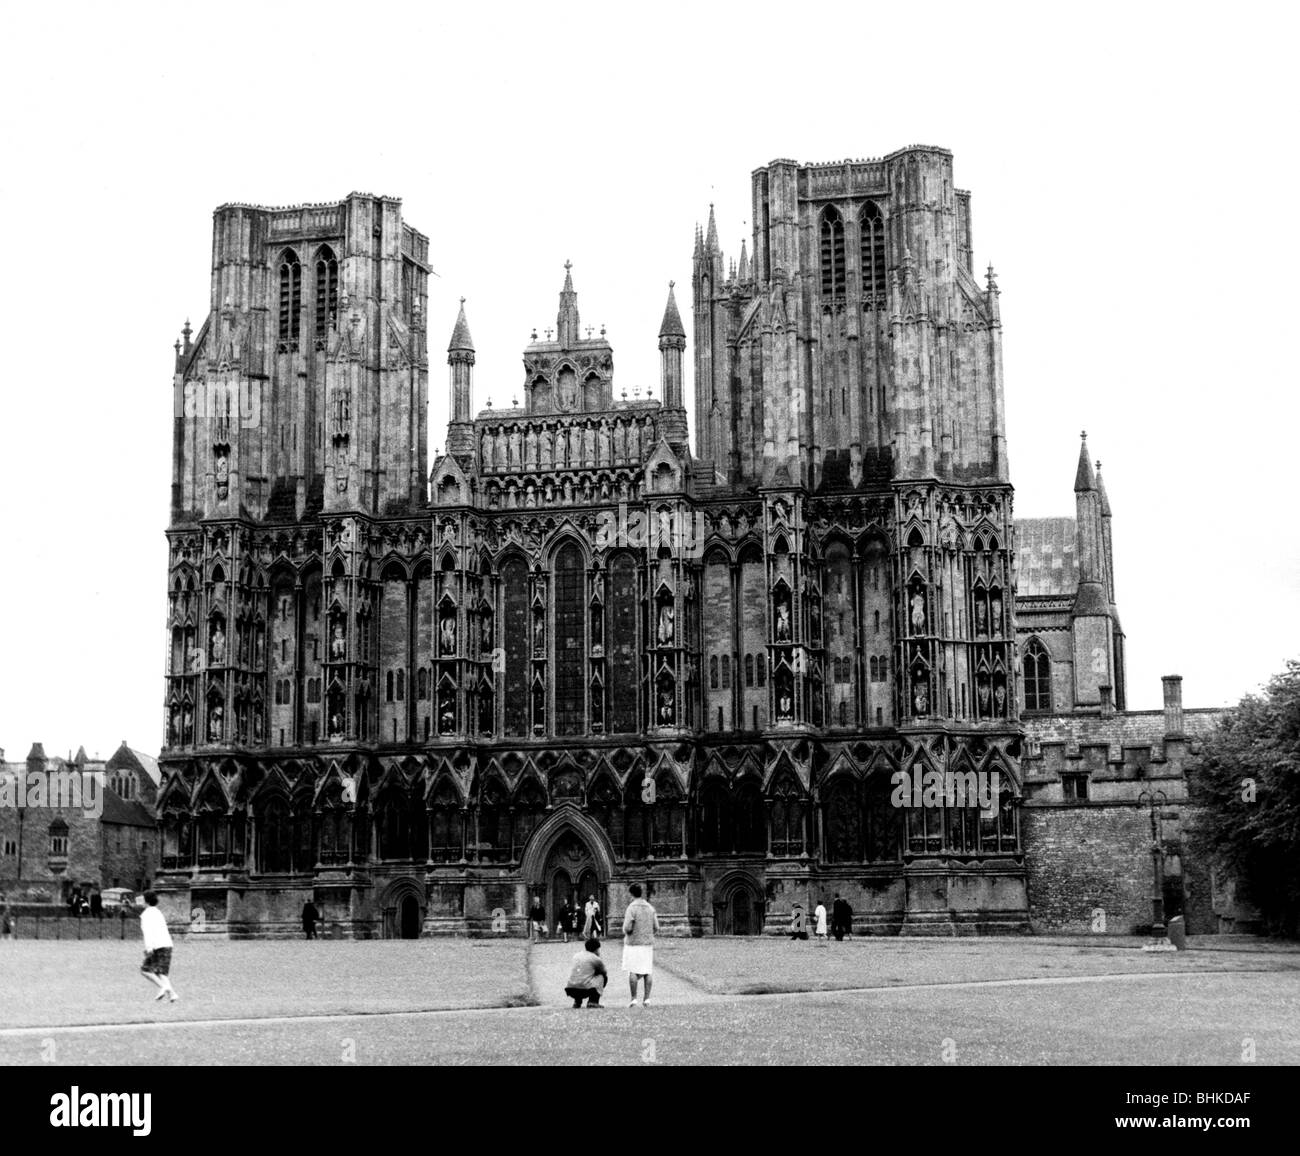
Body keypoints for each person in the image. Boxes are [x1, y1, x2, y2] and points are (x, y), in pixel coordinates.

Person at [621, 883, 660, 1007]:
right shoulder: (650, 907)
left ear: (631, 894)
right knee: (647, 971)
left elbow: (627, 927)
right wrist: (648, 933)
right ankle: (647, 999)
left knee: (633, 970)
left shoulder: (631, 908)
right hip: (647, 943)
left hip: (633, 943)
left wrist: (626, 931)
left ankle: (633, 999)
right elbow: (656, 927)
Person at [139, 891, 179, 1003]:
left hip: (156, 946)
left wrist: (149, 948)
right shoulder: (158, 912)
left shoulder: (146, 915)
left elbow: (147, 932)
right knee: (162, 972)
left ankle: (163, 987)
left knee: (145, 970)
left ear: (146, 901)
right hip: (167, 944)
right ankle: (172, 994)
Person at [564, 937, 608, 1009]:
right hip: (584, 990)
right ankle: (593, 1001)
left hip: (570, 989)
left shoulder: (576, 955)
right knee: (602, 977)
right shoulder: (595, 958)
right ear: (596, 949)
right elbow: (604, 972)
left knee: (580, 976)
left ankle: (577, 1002)